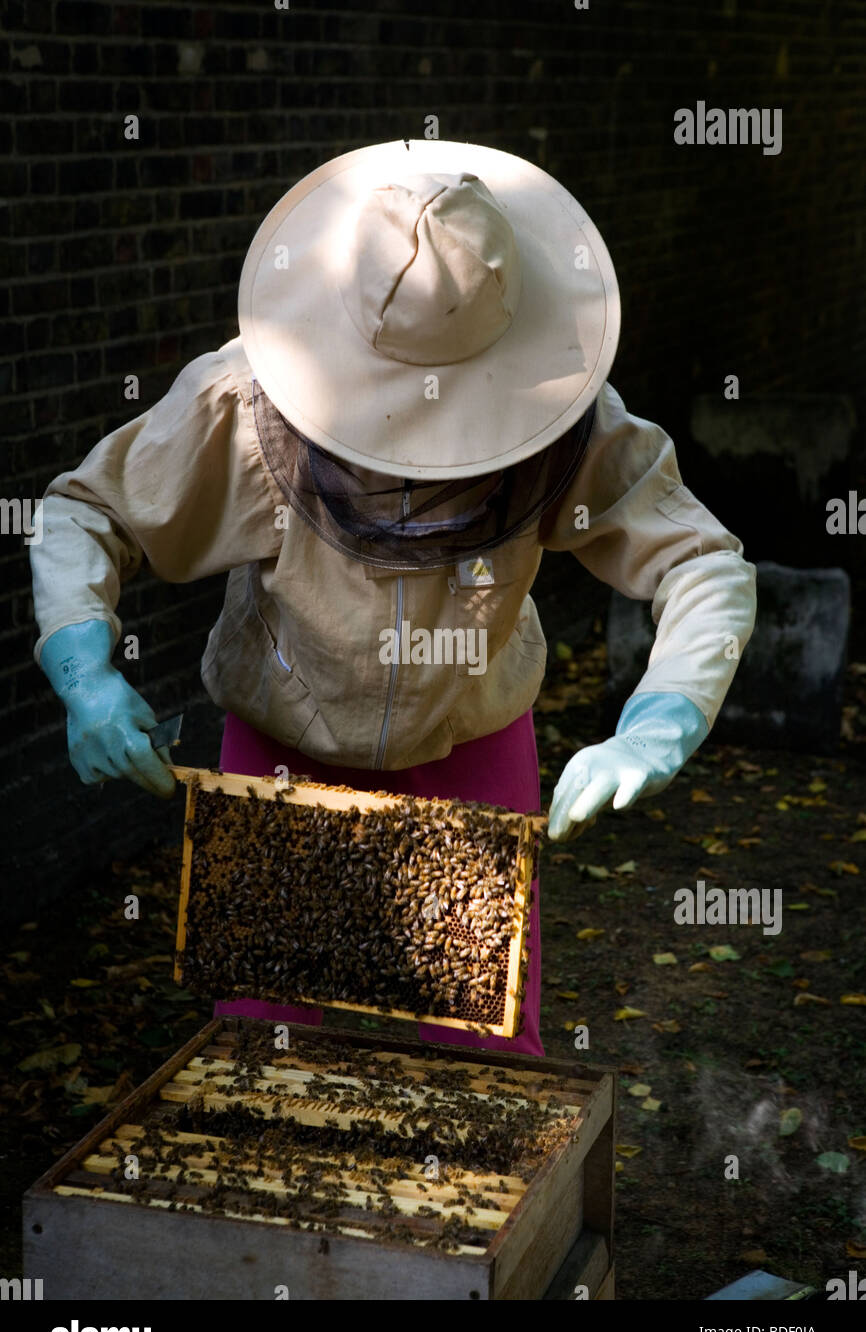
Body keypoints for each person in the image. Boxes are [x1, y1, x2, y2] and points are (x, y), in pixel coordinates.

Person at [30, 139, 757, 1058]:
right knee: (264, 1050)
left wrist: (662, 719)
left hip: (470, 738)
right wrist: (84, 670)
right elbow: (89, 510)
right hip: (285, 745)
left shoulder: (573, 421)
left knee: (483, 1055)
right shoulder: (242, 400)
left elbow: (702, 563)